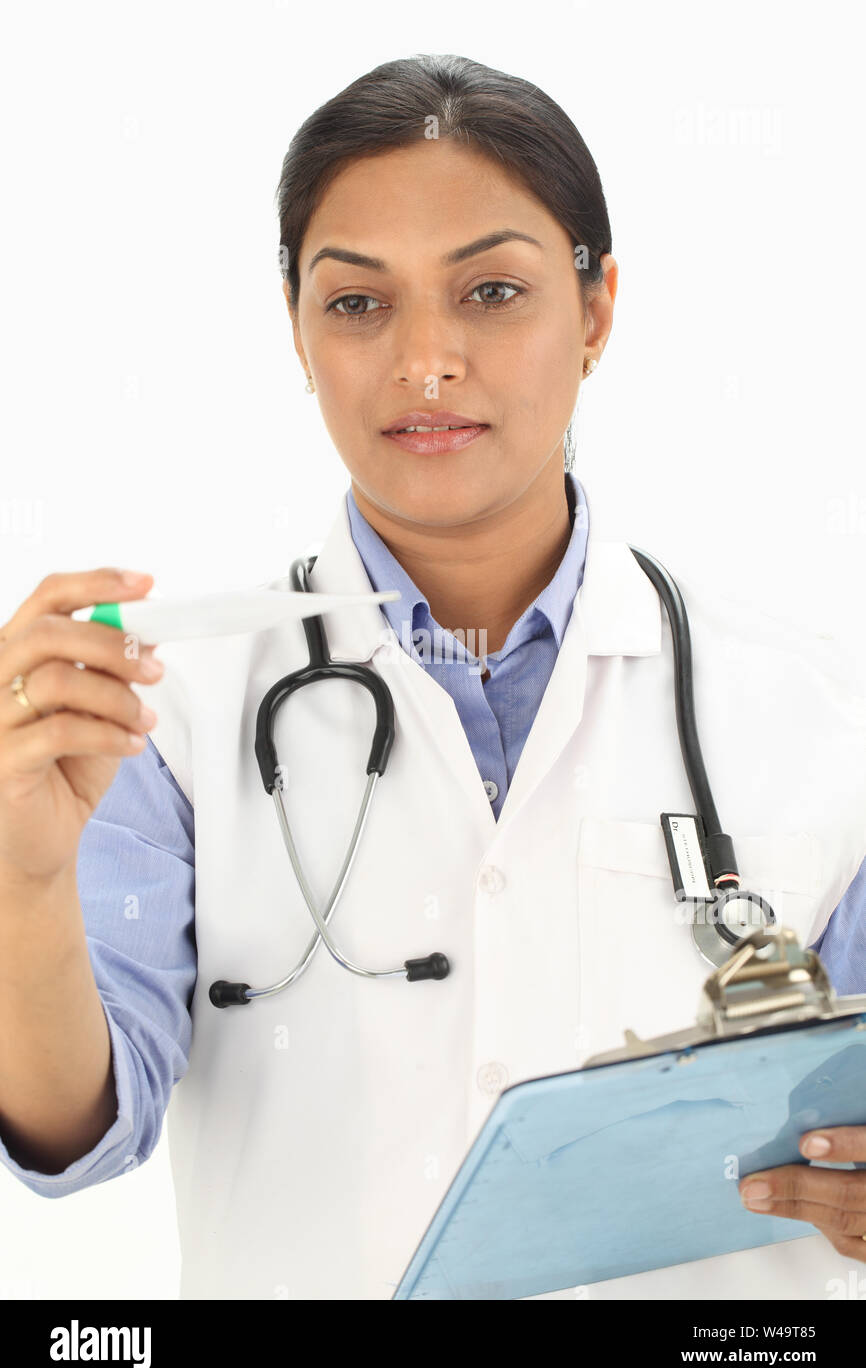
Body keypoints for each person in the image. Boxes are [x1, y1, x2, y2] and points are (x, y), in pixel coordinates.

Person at [2, 52, 866, 1302]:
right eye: (357, 304)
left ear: (598, 309)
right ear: (295, 327)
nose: (424, 361)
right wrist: (23, 880)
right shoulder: (158, 712)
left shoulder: (818, 715)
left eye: (493, 291)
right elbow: (76, 1129)